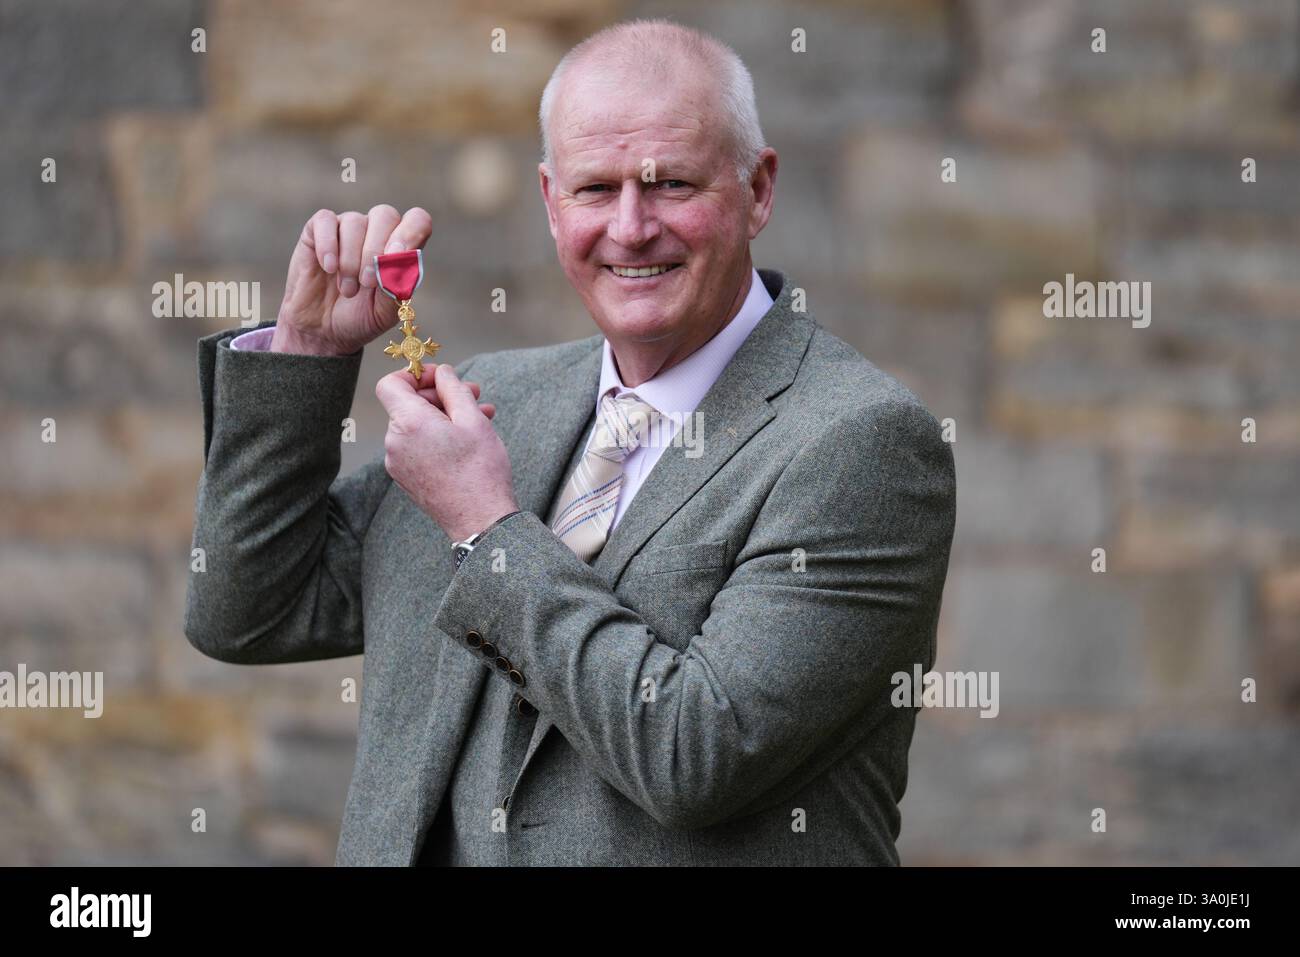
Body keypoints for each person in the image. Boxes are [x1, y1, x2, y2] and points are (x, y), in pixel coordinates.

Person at [185, 18, 956, 866]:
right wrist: (307, 356)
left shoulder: (861, 444)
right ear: (552, 202)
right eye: (596, 189)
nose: (630, 228)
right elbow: (244, 612)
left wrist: (487, 526)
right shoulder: (497, 401)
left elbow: (695, 755)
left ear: (759, 189)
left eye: (670, 185)